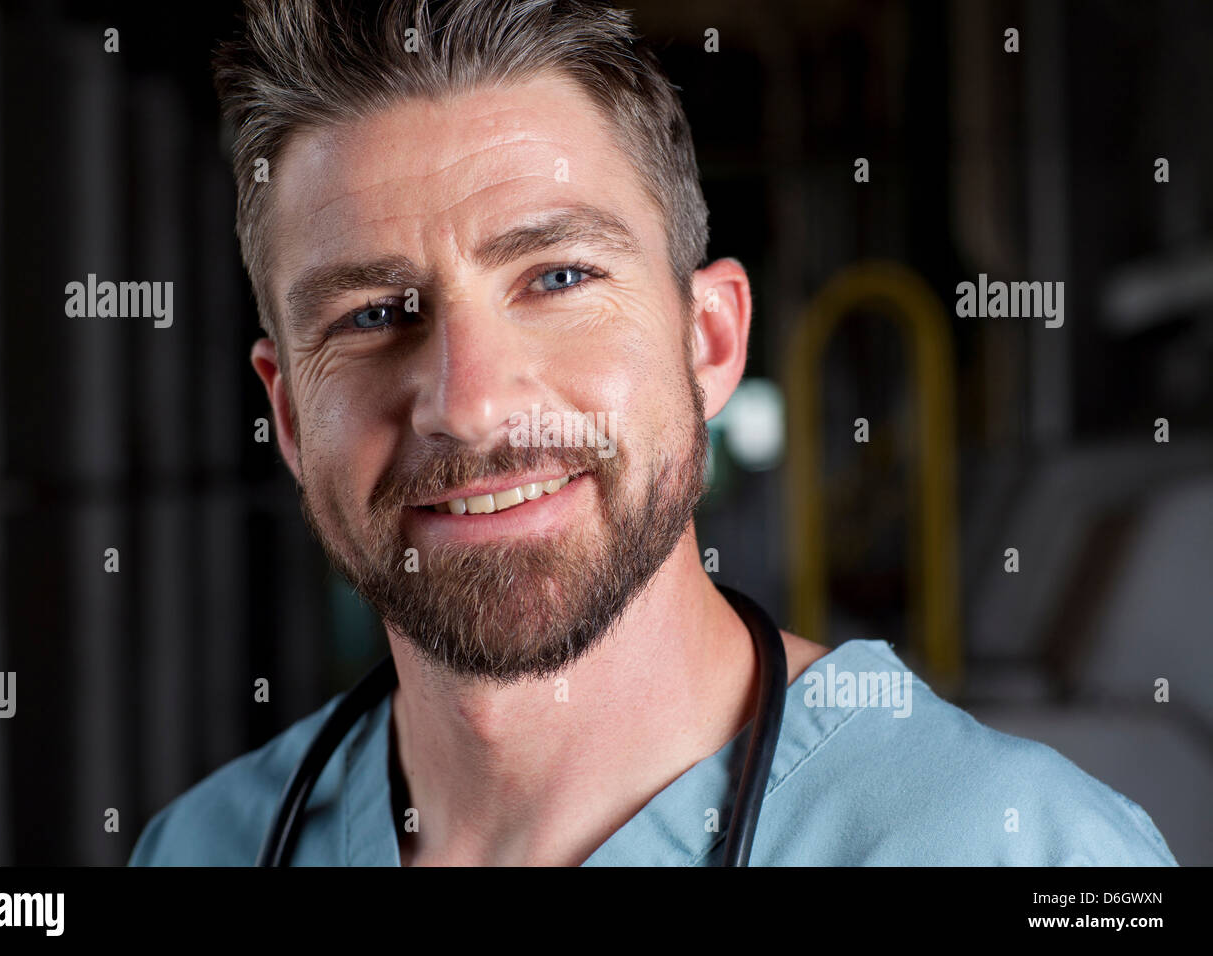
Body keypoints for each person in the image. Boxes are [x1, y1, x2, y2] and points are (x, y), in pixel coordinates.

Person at [129, 0, 1176, 866]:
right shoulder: (204, 845)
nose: (470, 402)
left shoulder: (1025, 852)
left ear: (710, 340)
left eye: (557, 277)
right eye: (371, 315)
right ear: (288, 415)